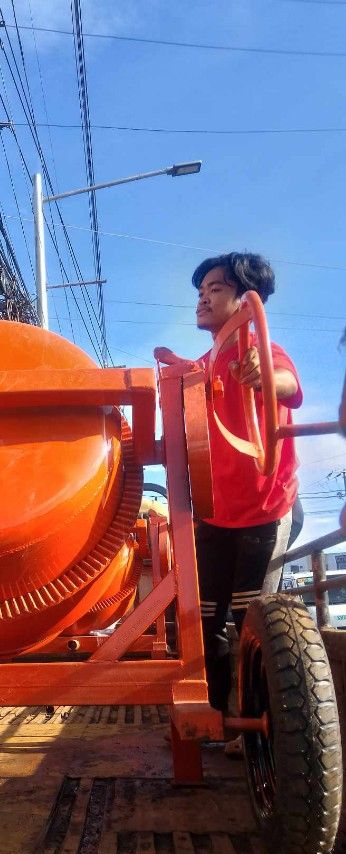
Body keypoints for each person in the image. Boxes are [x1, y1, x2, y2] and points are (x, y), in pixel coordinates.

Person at [156, 252, 303, 716]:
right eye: (200, 292)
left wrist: (262, 379)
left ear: (245, 300)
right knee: (207, 620)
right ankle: (219, 718)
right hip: (215, 511)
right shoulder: (208, 359)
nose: (202, 298)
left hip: (265, 506)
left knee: (250, 619)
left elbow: (288, 384)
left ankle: (262, 726)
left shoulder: (256, 346)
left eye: (215, 289)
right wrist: (176, 367)